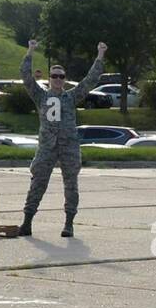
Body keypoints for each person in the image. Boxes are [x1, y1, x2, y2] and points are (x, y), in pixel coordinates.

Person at [18, 39, 106, 237]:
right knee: (38, 182)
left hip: (68, 146)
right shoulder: (40, 96)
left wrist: (100, 55)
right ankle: (27, 221)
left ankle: (69, 223)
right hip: (47, 147)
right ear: (49, 78)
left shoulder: (72, 96)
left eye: (61, 76)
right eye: (54, 76)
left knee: (71, 185)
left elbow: (90, 80)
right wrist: (30, 51)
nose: (58, 79)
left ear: (65, 79)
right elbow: (26, 77)